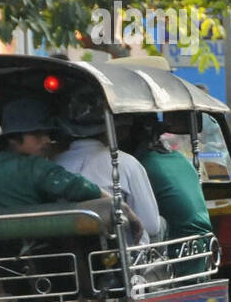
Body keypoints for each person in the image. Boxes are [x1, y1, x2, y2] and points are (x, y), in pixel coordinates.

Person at [54, 92, 161, 245]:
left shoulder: (54, 165)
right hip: (126, 257)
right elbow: (151, 226)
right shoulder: (127, 163)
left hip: (71, 256)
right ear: (109, 128)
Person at [0, 98, 105, 211]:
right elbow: (80, 188)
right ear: (13, 138)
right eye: (37, 134)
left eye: (48, 134)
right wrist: (117, 205)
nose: (47, 140)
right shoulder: (34, 166)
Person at [123, 115, 212, 244]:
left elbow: (150, 225)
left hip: (178, 249)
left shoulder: (142, 165)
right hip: (202, 243)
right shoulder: (177, 158)